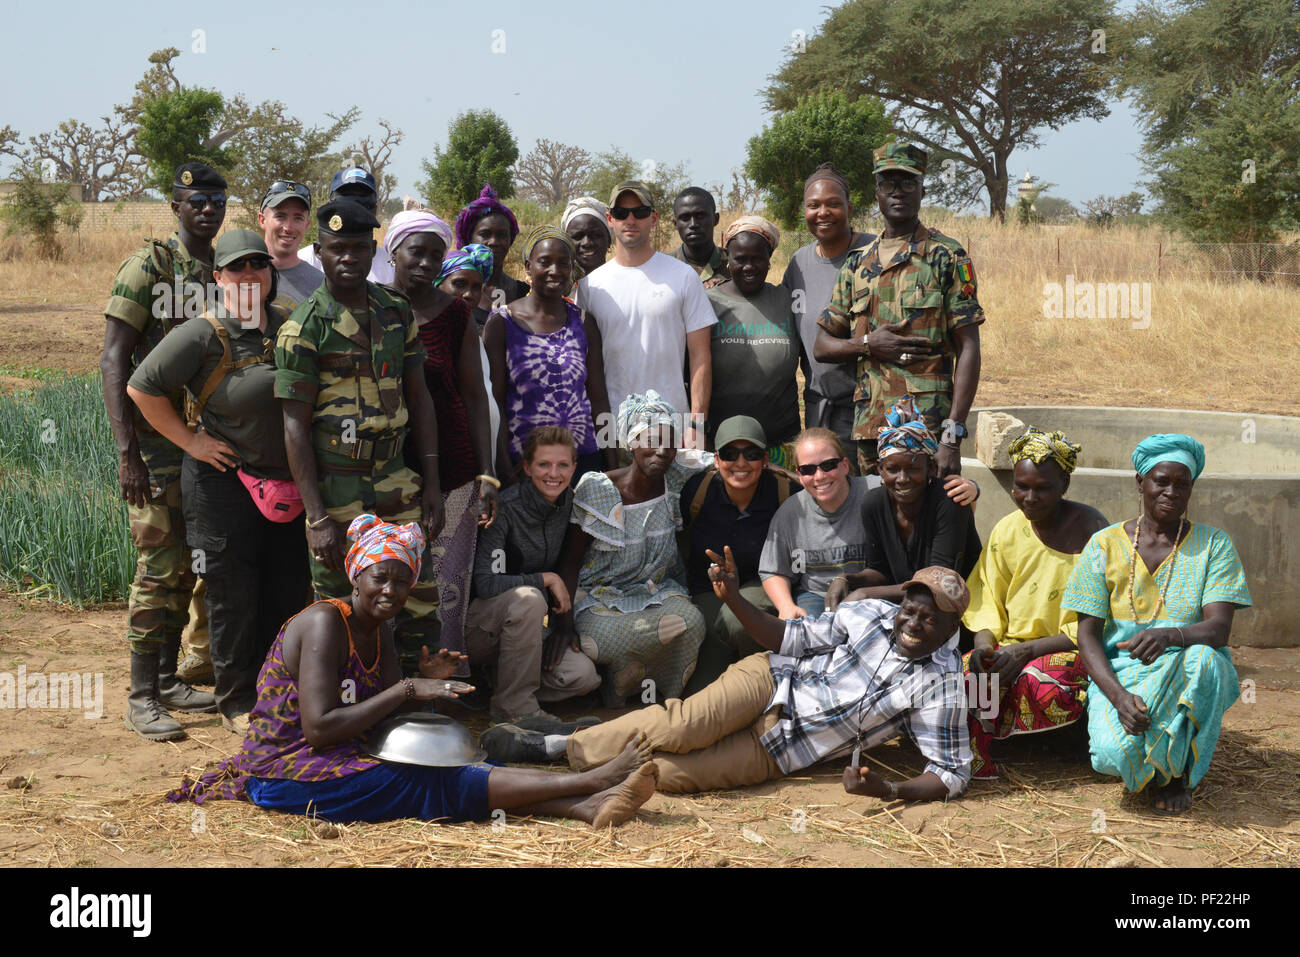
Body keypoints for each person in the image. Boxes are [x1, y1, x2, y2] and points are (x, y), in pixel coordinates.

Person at [166, 514, 658, 828]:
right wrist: (406, 689)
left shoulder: (379, 629)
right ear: (356, 575)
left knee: (446, 771)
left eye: (403, 582)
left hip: (341, 756)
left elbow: (384, 727)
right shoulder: (323, 623)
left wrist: (424, 694)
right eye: (381, 577)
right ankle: (587, 784)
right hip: (284, 772)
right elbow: (317, 729)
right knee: (428, 784)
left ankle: (583, 807)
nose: (391, 591)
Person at [484, 563, 972, 804]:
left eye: (930, 619)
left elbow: (950, 772)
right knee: (678, 727)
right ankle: (550, 746)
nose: (912, 621)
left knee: (667, 775)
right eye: (910, 607)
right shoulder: (871, 614)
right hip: (769, 679)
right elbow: (790, 637)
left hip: (784, 747)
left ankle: (589, 749)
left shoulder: (942, 684)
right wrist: (735, 598)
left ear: (952, 631)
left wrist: (888, 790)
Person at [127, 229, 310, 734]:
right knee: (232, 591)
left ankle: (281, 691)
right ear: (218, 277)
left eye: (258, 265)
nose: (249, 275)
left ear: (271, 273)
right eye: (237, 268)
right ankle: (236, 700)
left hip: (286, 484)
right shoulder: (202, 333)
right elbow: (141, 386)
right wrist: (192, 442)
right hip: (224, 483)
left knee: (288, 589)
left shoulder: (288, 322)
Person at [275, 199, 444, 675]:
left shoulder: (395, 312)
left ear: (373, 253)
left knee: (418, 600)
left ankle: (417, 706)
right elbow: (294, 426)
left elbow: (421, 397)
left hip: (396, 477)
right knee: (341, 609)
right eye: (336, 248)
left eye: (357, 248)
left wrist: (430, 482)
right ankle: (347, 706)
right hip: (338, 487)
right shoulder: (304, 327)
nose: (348, 258)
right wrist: (316, 517)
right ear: (320, 251)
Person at [1063, 434, 1251, 814]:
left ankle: (1178, 773)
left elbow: (1218, 630)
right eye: (1161, 481)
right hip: (1122, 672)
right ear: (1140, 482)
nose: (1171, 491)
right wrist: (1117, 697)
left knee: (1207, 660)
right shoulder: (1104, 545)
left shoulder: (1214, 544)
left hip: (1185, 666)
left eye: (1182, 484)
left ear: (1191, 488)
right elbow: (1087, 635)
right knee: (1110, 755)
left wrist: (1170, 635)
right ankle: (1151, 747)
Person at [101, 161, 222, 741]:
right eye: (195, 199)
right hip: (153, 450)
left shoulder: (223, 271)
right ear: (175, 207)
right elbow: (112, 359)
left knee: (187, 569)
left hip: (203, 446)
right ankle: (142, 694)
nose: (207, 208)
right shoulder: (148, 267)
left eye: (216, 199)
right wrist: (127, 452)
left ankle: (171, 678)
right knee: (158, 567)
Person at [814, 144, 984, 477]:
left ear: (923, 188)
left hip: (928, 432)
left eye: (907, 183)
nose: (897, 193)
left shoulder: (946, 256)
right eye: (888, 183)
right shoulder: (856, 264)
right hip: (872, 431)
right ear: (876, 191)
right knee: (877, 525)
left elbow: (969, 347)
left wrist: (951, 437)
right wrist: (867, 344)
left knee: (932, 525)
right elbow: (822, 346)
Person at [384, 209, 501, 661]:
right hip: (387, 467)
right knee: (389, 579)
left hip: (453, 468)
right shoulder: (372, 306)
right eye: (417, 251)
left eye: (437, 254)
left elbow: (475, 395)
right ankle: (388, 685)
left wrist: (486, 474)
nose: (427, 263)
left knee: (446, 586)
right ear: (394, 252)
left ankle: (439, 683)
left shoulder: (454, 314)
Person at [961, 427, 1107, 779]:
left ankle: (1058, 744)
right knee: (965, 676)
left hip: (1068, 649)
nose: (1029, 497)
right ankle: (982, 758)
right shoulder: (1008, 530)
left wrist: (1028, 652)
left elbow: (1096, 623)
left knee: (1043, 683)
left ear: (1065, 486)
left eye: (1043, 489)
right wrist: (984, 647)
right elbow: (986, 597)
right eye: (1021, 486)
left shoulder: (1095, 534)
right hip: (1008, 645)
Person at [553, 392, 709, 707]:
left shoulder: (675, 478)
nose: (661, 451)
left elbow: (725, 462)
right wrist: (563, 625)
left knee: (691, 622)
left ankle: (653, 687)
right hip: (599, 598)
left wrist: (786, 474)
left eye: (669, 443)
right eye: (651, 440)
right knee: (601, 640)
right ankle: (620, 688)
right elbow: (569, 562)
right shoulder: (598, 490)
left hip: (658, 591)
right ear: (632, 443)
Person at [466, 427, 603, 729]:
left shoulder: (569, 503)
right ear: (527, 467)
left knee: (583, 677)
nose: (553, 474)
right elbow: (485, 584)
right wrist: (546, 579)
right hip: (482, 627)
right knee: (528, 599)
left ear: (574, 468)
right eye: (543, 464)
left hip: (526, 633)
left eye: (563, 465)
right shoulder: (505, 509)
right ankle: (515, 710)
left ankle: (502, 684)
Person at [581, 181, 716, 448]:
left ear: (653, 218)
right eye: (621, 213)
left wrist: (696, 425)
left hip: (673, 431)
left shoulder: (683, 276)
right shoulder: (590, 286)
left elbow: (701, 356)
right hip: (615, 433)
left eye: (640, 212)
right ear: (610, 219)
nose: (630, 220)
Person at [483, 225, 615, 481]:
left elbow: (599, 400)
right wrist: (502, 464)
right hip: (525, 464)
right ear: (528, 266)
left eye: (563, 263)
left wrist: (610, 462)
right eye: (545, 262)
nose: (555, 271)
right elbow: (494, 403)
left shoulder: (584, 323)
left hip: (582, 462)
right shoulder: (502, 323)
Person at [679, 416, 798, 693]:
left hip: (764, 584)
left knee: (737, 623)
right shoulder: (697, 491)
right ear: (717, 460)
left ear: (765, 459)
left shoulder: (786, 492)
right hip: (709, 588)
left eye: (752, 454)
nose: (741, 463)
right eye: (730, 454)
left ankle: (761, 687)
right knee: (701, 690)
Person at [825, 397, 980, 610]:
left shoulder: (949, 502)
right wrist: (845, 579)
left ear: (931, 469)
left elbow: (937, 583)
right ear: (880, 469)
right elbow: (879, 572)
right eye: (893, 469)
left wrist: (864, 594)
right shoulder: (874, 503)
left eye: (913, 469)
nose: (902, 478)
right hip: (907, 607)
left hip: (956, 609)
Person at [782, 163, 874, 469]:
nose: (823, 212)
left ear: (849, 207)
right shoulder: (799, 263)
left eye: (833, 204)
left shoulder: (875, 252)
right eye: (814, 205)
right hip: (818, 408)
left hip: (868, 409)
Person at [704, 215, 800, 462]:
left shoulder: (787, 301)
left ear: (770, 260)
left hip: (781, 441)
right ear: (727, 259)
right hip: (722, 447)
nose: (749, 266)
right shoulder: (707, 302)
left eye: (758, 258)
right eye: (740, 259)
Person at [759, 428, 875, 620]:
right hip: (816, 596)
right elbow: (773, 569)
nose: (819, 476)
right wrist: (786, 606)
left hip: (870, 591)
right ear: (799, 475)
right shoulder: (790, 512)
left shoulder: (874, 493)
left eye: (828, 465)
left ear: (845, 465)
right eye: (808, 470)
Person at [454, 184, 530, 332]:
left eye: (502, 235)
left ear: (510, 240)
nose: (494, 242)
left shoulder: (523, 293)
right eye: (485, 234)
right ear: (470, 239)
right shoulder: (455, 292)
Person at [298, 167, 393, 285]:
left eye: (363, 198)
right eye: (346, 198)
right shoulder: (305, 260)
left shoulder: (389, 264)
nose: (354, 207)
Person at [257, 179, 323, 312]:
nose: (289, 227)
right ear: (262, 220)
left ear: (307, 225)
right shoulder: (238, 274)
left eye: (298, 218)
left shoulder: (321, 285)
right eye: (280, 216)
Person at [668, 187, 730, 287]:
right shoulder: (663, 266)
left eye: (700, 216)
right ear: (675, 224)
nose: (693, 224)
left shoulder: (734, 263)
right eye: (685, 218)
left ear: (716, 219)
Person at [561, 196, 612, 278]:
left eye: (595, 235)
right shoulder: (560, 288)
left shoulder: (623, 285)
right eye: (577, 236)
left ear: (609, 240)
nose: (587, 243)